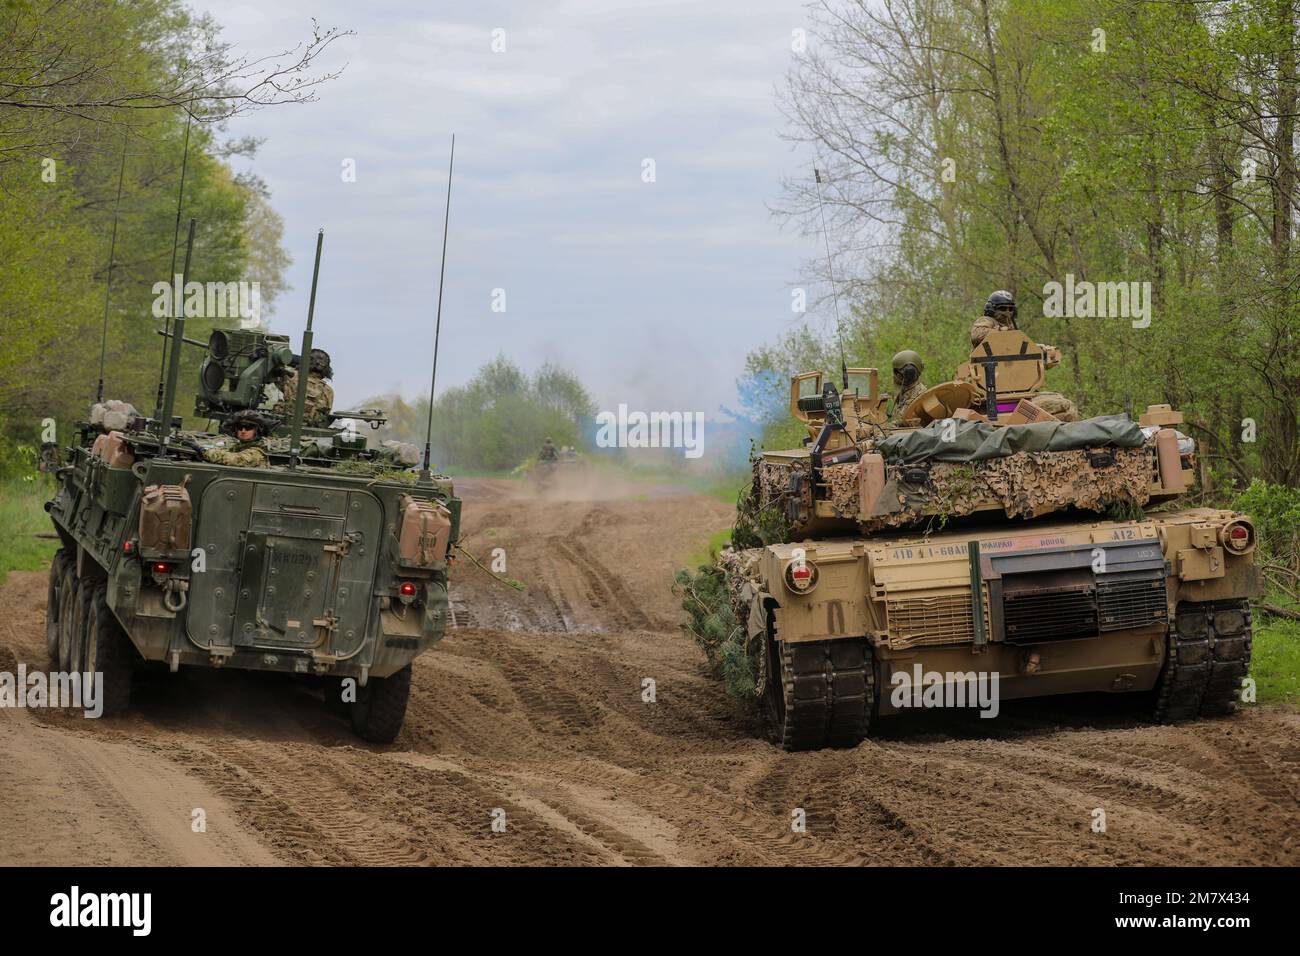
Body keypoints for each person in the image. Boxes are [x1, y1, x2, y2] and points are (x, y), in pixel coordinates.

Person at [273, 348, 335, 428]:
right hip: (310, 430)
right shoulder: (328, 390)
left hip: (284, 425)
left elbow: (274, 365)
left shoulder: (290, 376)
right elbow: (325, 414)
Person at [203, 410, 271, 468]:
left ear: (257, 431)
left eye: (248, 427)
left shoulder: (257, 452)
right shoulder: (238, 447)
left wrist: (205, 451)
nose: (243, 431)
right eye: (240, 427)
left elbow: (235, 459)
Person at [889, 350, 927, 425]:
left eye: (897, 372)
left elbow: (905, 422)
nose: (895, 376)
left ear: (906, 374)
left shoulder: (920, 396)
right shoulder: (905, 393)